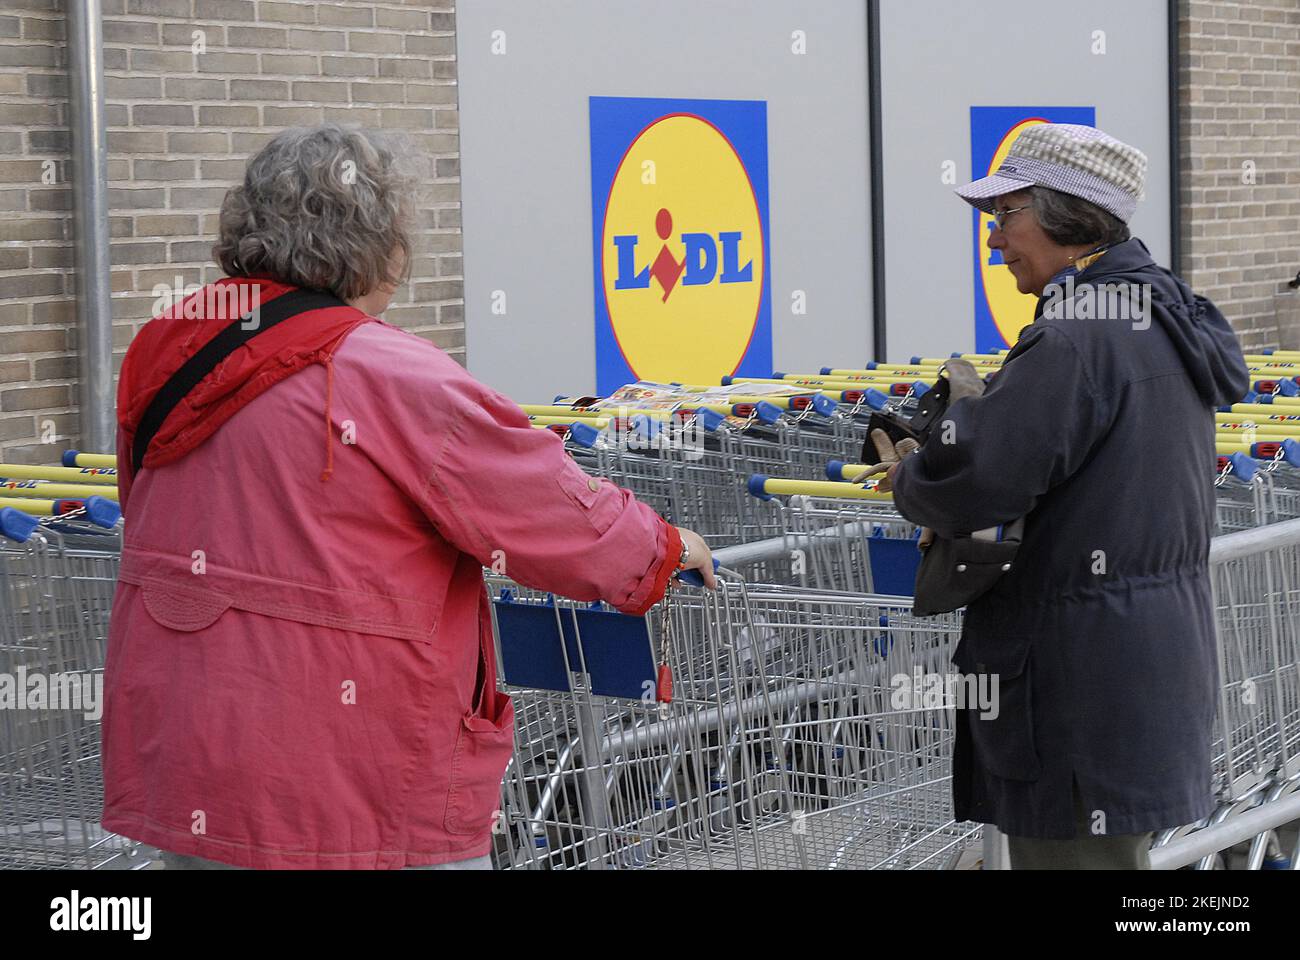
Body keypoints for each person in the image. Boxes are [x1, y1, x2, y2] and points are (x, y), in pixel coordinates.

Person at [101, 124, 716, 870]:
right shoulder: (388, 373)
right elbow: (547, 512)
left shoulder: (167, 348)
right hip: (351, 782)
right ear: (373, 246)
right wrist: (664, 547)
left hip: (191, 754)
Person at [860, 123, 1249, 869]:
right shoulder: (1157, 315)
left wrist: (912, 470)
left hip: (1077, 686)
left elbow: (977, 480)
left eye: (1006, 215)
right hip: (1141, 669)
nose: (994, 240)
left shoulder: (1075, 337)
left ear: (1067, 218)